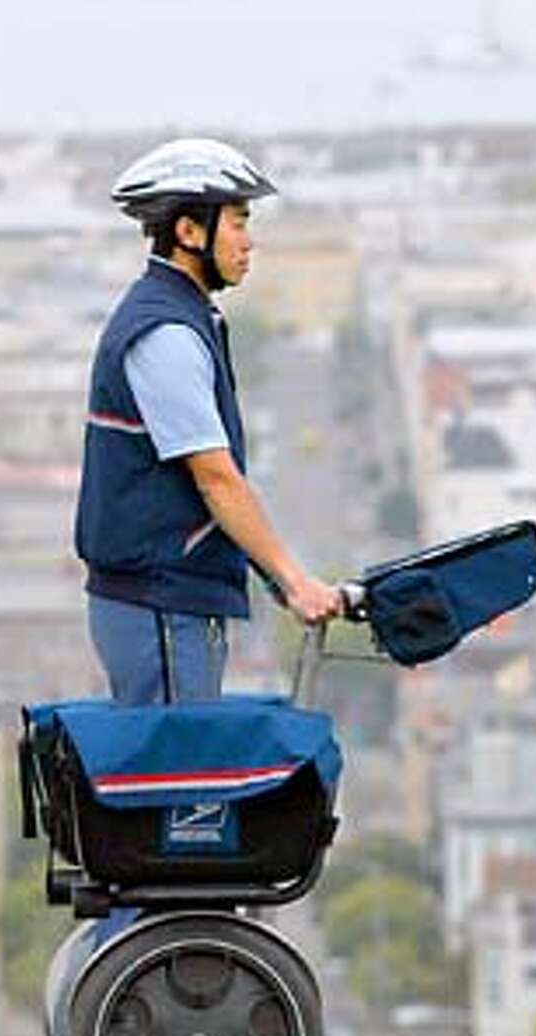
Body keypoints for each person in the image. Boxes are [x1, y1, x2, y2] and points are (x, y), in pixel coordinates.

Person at [75, 137, 342, 707]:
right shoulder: (165, 335)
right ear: (189, 232)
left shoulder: (182, 317)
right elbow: (217, 480)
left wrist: (275, 578)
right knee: (181, 760)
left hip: (170, 599)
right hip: (160, 603)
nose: (249, 241)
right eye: (238, 222)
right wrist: (294, 582)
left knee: (186, 755)